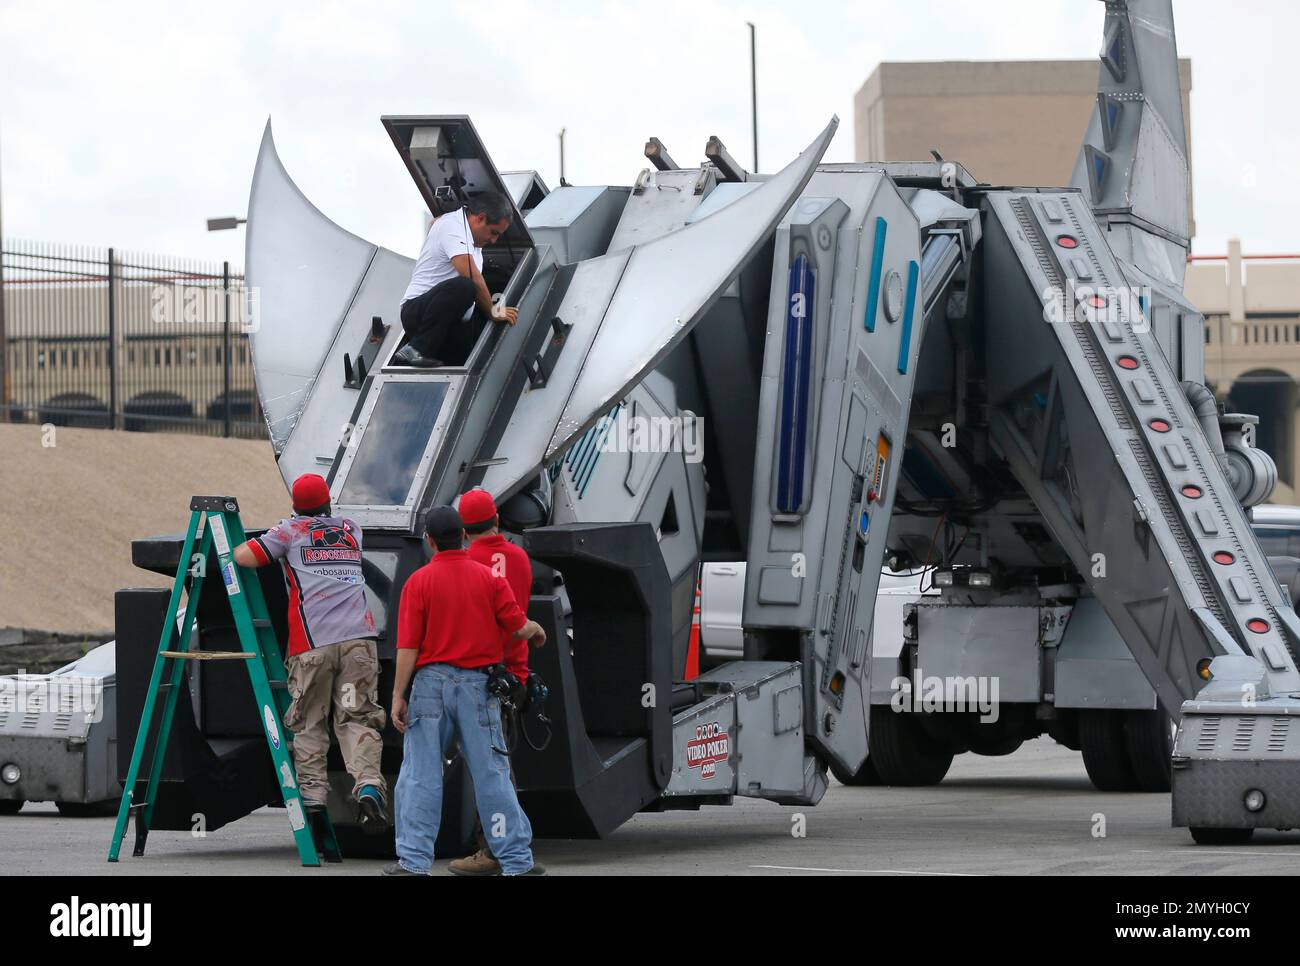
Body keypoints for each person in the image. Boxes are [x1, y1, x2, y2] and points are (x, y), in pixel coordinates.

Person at [385, 505, 547, 876]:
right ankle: (517, 861)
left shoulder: (419, 582)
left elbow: (408, 647)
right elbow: (517, 626)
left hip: (430, 687)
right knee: (492, 774)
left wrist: (398, 694)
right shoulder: (490, 579)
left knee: (420, 774)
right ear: (462, 536)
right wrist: (537, 629)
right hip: (479, 686)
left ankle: (413, 863)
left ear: (429, 541)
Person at [231, 472, 388, 834]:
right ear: (328, 503)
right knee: (357, 719)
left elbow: (244, 557)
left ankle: (314, 801)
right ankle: (368, 785)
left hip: (313, 646)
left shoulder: (290, 532)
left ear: (295, 507)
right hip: (359, 645)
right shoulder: (351, 530)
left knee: (309, 722)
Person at [448, 488, 532, 876]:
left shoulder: (464, 564)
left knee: (489, 768)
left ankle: (496, 848)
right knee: (499, 763)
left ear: (462, 531)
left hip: (479, 676)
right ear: (497, 521)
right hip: (514, 673)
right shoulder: (520, 557)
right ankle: (510, 843)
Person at [395, 191, 520, 368]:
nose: (494, 240)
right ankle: (416, 348)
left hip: (449, 325)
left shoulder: (469, 236)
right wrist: (493, 311)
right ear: (480, 218)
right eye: (493, 232)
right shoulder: (453, 226)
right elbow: (471, 276)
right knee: (466, 286)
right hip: (418, 313)